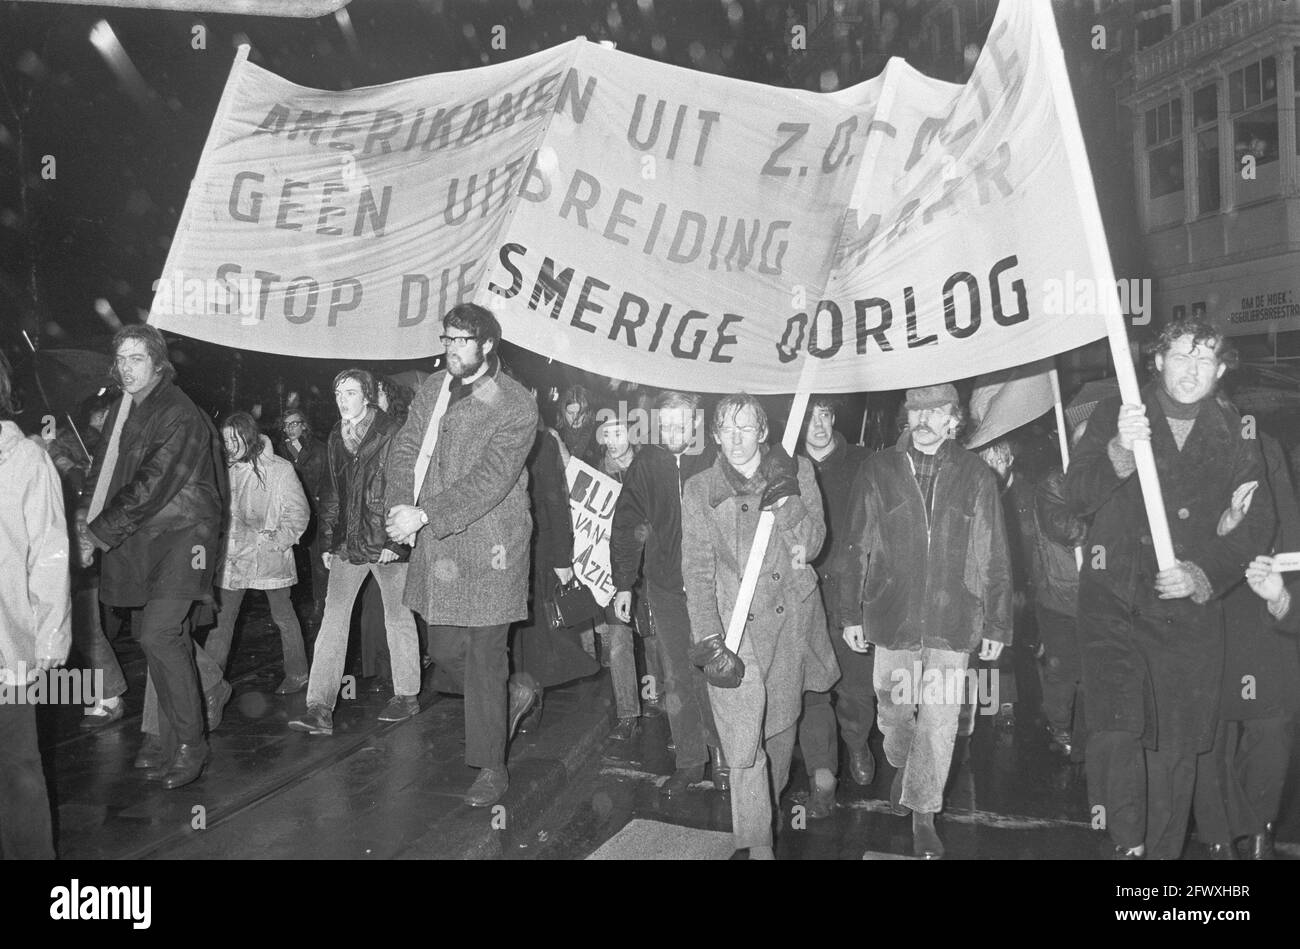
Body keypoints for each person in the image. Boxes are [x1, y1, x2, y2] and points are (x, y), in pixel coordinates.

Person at [1065, 316, 1274, 859]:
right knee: (1118, 732)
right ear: (1157, 362)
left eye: (1205, 359)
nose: (1192, 369)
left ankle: (1158, 860)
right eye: (1181, 355)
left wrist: (1202, 572)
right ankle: (1126, 842)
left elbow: (1256, 525)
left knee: (1176, 748)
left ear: (1221, 369)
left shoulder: (1236, 431)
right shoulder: (1121, 412)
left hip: (1187, 614)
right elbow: (1075, 497)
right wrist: (1117, 450)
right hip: (1114, 606)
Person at [839, 384, 1012, 858]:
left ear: (954, 419)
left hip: (952, 621)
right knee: (894, 712)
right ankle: (901, 762)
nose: (925, 418)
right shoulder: (878, 470)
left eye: (936, 410)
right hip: (891, 616)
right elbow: (856, 545)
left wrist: (997, 623)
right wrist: (849, 612)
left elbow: (994, 553)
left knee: (937, 722)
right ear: (906, 416)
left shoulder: (976, 475)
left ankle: (923, 812)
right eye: (917, 409)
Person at [384, 304, 539, 808]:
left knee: (484, 656)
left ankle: (491, 766)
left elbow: (490, 480)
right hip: (441, 546)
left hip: (493, 544)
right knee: (448, 651)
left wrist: (424, 514)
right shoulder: (433, 388)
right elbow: (406, 446)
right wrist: (398, 507)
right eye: (446, 339)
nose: (450, 349)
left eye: (461, 341)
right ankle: (515, 694)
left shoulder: (516, 403)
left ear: (487, 345)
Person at [682, 393, 835, 858]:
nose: (736, 438)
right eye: (726, 429)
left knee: (779, 734)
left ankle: (763, 812)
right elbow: (698, 570)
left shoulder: (797, 472)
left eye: (746, 428)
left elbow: (813, 543)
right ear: (714, 435)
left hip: (788, 625)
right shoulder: (699, 489)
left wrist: (788, 501)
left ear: (764, 432)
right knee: (744, 742)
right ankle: (758, 845)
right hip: (735, 629)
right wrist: (709, 640)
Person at [84, 324, 226, 790]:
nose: (127, 368)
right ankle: (171, 737)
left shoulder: (177, 411)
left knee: (158, 633)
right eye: (121, 359)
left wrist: (98, 533)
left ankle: (191, 743)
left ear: (158, 363)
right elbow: (109, 475)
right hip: (154, 539)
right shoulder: (129, 409)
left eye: (137, 358)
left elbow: (153, 481)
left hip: (187, 534)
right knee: (170, 636)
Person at [288, 369, 422, 735]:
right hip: (350, 541)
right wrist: (331, 543)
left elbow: (406, 486)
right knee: (333, 618)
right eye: (338, 394)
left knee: (397, 617)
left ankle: (407, 695)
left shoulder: (393, 430)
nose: (342, 400)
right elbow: (333, 494)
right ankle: (319, 707)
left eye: (349, 393)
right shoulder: (336, 435)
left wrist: (396, 542)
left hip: (385, 538)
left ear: (367, 395)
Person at [1191, 427, 1300, 860]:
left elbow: (1290, 539)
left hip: (1265, 626)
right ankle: (1219, 836)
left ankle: (1259, 830)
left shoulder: (1270, 461)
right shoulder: (1189, 475)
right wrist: (1228, 527)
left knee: (1272, 731)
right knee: (1210, 737)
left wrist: (1282, 596)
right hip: (1211, 621)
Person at [610, 389, 720, 795]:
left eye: (681, 423)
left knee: (717, 671)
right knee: (676, 677)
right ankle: (691, 762)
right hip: (667, 588)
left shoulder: (715, 457)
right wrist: (623, 583)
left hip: (714, 585)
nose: (673, 431)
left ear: (695, 423)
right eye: (667, 423)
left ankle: (724, 754)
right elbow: (626, 525)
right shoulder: (648, 463)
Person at [0, 351, 71, 858]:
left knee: (16, 765)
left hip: (8, 644)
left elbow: (48, 554)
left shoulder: (24, 459)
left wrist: (50, 635)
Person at [795, 395, 874, 819]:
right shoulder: (784, 466)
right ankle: (822, 776)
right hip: (803, 598)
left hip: (851, 595)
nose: (818, 425)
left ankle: (858, 742)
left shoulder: (862, 462)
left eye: (824, 415)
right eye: (809, 417)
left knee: (856, 689)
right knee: (812, 691)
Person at [508, 402, 600, 732]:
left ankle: (533, 698)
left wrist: (563, 559)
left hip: (540, 551)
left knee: (537, 633)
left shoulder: (543, 442)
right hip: (503, 552)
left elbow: (557, 503)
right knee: (510, 633)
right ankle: (512, 696)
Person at [205, 411, 311, 694]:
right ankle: (210, 684)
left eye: (235, 438)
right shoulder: (222, 470)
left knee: (283, 616)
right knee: (222, 620)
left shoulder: (279, 469)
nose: (229, 445)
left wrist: (278, 540)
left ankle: (298, 672)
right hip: (233, 558)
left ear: (248, 436)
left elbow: (299, 513)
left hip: (268, 556)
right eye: (225, 439)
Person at [593, 417, 642, 740]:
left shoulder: (649, 465)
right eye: (606, 434)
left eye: (618, 433)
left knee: (654, 642)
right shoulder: (597, 472)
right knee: (618, 642)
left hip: (649, 565)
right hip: (613, 567)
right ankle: (628, 713)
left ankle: (667, 701)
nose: (612, 441)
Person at [280, 408, 329, 624]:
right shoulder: (280, 450)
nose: (290, 428)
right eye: (286, 425)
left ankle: (321, 605)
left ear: (304, 425)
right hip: (290, 513)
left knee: (318, 562)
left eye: (294, 423)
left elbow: (326, 478)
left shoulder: (319, 449)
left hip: (315, 512)